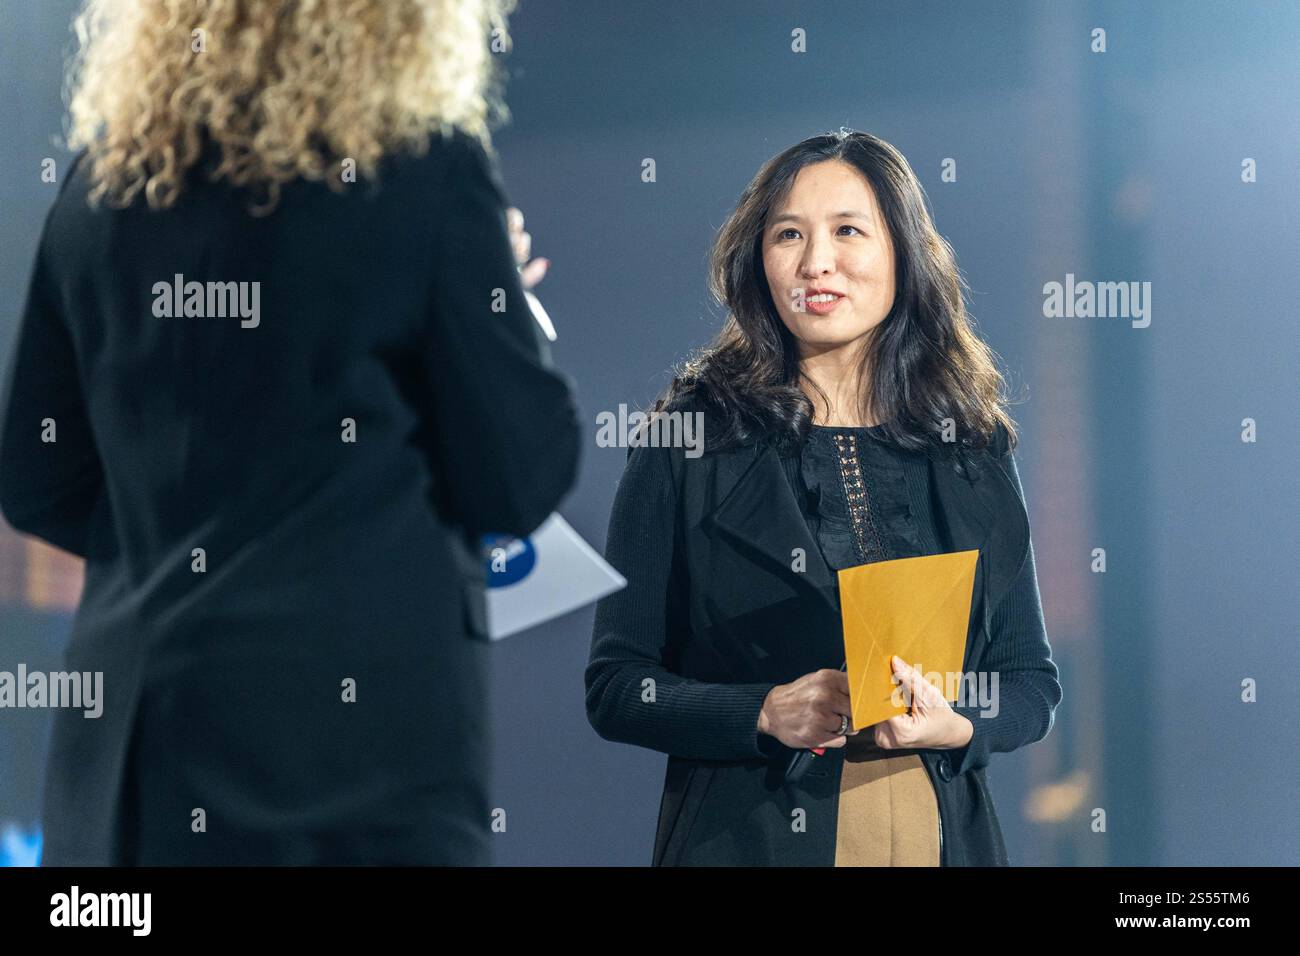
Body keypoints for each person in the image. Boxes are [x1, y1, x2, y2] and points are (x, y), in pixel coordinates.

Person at [0, 0, 580, 865]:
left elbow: (37, 482)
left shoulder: (100, 187)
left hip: (128, 771)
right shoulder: (421, 169)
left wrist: (174, 531)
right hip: (346, 769)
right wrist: (505, 299)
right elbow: (520, 473)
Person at [585, 129, 1061, 866]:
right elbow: (617, 686)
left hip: (940, 833)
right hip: (750, 838)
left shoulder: (969, 443)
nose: (816, 262)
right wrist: (765, 712)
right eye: (788, 235)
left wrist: (959, 724)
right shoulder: (690, 437)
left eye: (847, 231)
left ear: (902, 252)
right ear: (758, 261)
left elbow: (1029, 681)